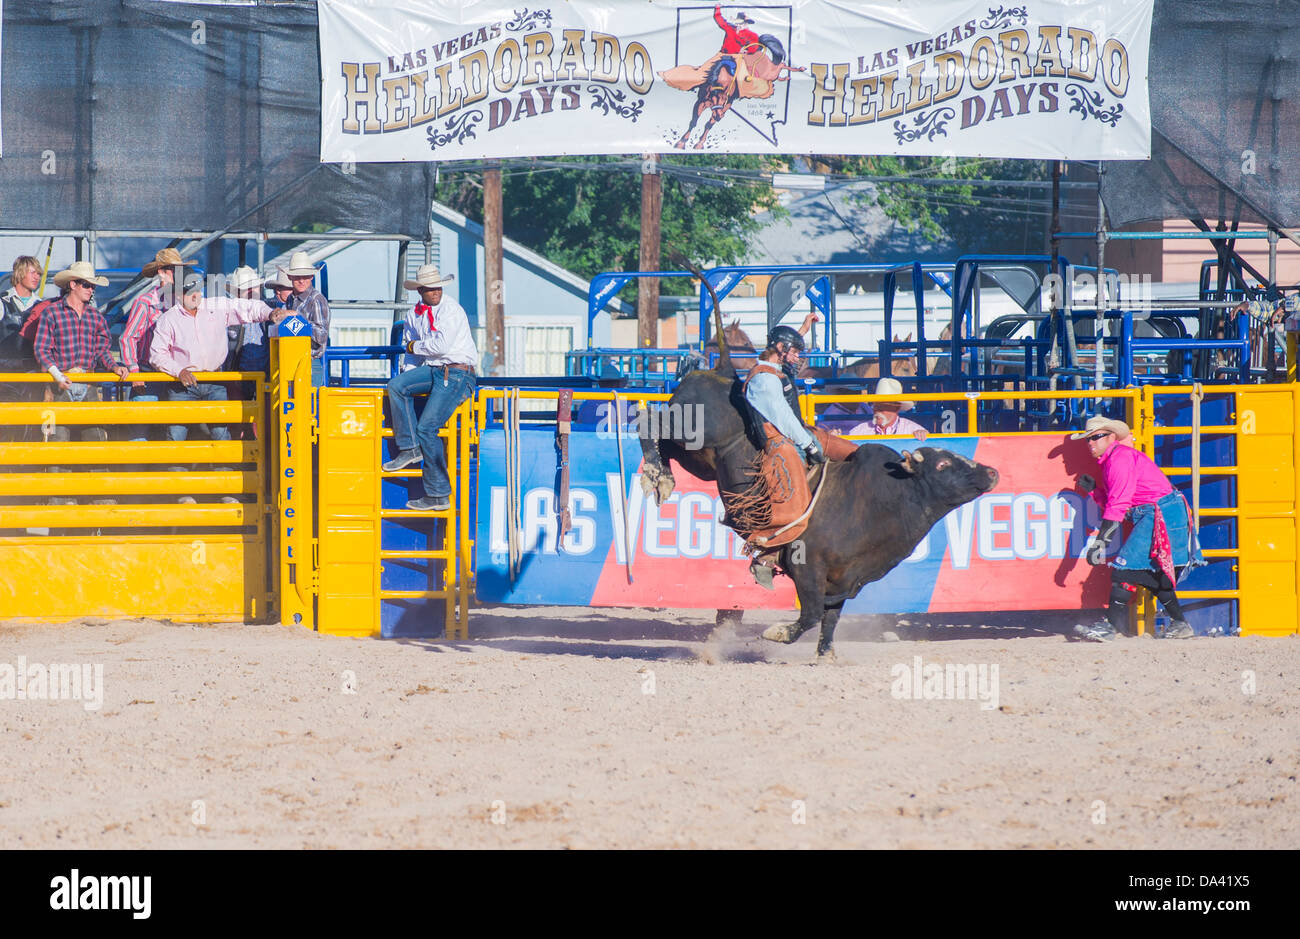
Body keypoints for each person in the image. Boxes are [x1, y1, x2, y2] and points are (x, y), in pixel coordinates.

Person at [148, 273, 286, 502]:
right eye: (190, 292)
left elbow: (245, 308)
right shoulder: (168, 319)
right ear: (179, 295)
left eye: (197, 291)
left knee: (221, 435)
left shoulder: (213, 307)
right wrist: (178, 370)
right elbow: (157, 354)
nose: (196, 296)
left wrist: (269, 313)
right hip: (183, 383)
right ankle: (180, 493)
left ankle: (225, 490)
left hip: (213, 380)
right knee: (176, 436)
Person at [741, 323, 857, 588]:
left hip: (797, 435)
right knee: (795, 501)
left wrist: (803, 330)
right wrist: (810, 446)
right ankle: (766, 552)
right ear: (781, 350)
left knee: (848, 450)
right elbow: (783, 419)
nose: (798, 358)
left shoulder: (774, 369)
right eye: (794, 352)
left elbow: (781, 344)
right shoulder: (764, 380)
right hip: (781, 443)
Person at [1069, 415, 1204, 642]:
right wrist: (1096, 492)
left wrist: (1100, 542)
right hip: (1159, 512)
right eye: (1087, 439)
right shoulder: (1117, 459)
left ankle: (1110, 627)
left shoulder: (1119, 460)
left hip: (1158, 513)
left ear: (1111, 437)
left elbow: (1119, 504)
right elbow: (1123, 500)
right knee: (1145, 572)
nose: (1090, 443)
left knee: (1125, 567)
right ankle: (1180, 623)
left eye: (1096, 437)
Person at [33, 261, 132, 507]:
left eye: (92, 286)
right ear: (73, 285)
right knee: (59, 448)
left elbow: (102, 350)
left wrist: (114, 366)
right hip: (60, 386)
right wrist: (58, 375)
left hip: (86, 383)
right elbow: (41, 350)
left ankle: (100, 507)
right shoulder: (52, 313)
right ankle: (61, 508)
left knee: (96, 443)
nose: (91, 290)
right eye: (87, 285)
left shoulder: (95, 317)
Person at [381, 264, 478, 512]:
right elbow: (415, 354)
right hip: (437, 370)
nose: (435, 291)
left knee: (427, 427)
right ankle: (409, 448)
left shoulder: (451, 309)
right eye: (429, 288)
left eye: (437, 287)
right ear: (421, 290)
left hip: (458, 373)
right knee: (397, 386)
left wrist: (414, 347)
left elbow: (440, 347)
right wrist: (409, 376)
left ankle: (438, 494)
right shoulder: (415, 315)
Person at [120, 248, 195, 442]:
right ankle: (135, 472)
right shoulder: (145, 303)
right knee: (140, 434)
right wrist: (134, 371)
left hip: (177, 376)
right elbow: (128, 338)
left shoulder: (183, 303)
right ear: (161, 272)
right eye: (172, 269)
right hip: (148, 376)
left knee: (175, 433)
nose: (177, 274)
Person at [1, 255, 46, 439]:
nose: (37, 277)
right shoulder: (2, 301)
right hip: (4, 375)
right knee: (6, 427)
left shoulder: (43, 305)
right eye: (33, 272)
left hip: (32, 374)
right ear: (20, 273)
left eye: (39, 273)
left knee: (31, 429)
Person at [279, 251, 330, 386]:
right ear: (290, 277)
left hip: (310, 362)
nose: (301, 280)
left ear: (312, 276)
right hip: (292, 361)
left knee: (309, 406)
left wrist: (298, 320)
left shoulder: (317, 300)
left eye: (305, 276)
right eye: (297, 277)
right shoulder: (291, 299)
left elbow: (322, 336)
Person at [848, 378, 929, 440]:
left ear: (896, 408)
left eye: (883, 406)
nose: (878, 411)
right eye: (876, 406)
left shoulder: (913, 430)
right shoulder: (860, 430)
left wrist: (922, 435)